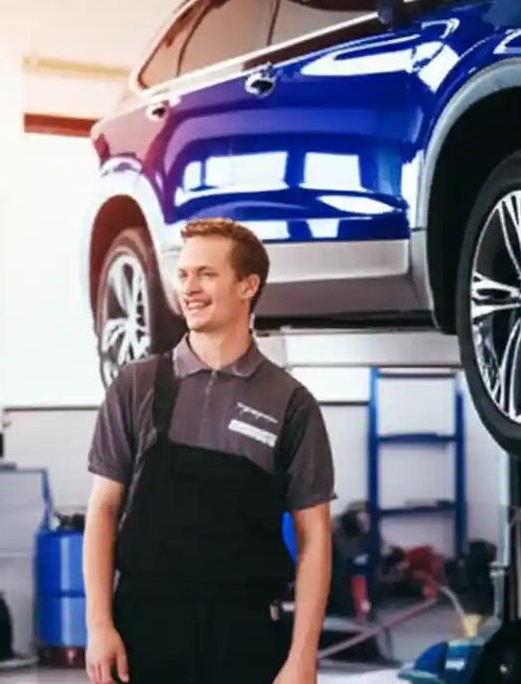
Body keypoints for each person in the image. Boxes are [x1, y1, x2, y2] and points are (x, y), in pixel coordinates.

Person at [83, 218, 336, 684]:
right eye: (183, 275)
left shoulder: (290, 402)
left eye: (206, 274)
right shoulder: (136, 384)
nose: (189, 288)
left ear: (248, 285)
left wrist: (302, 656)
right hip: (144, 629)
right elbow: (102, 510)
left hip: (246, 637)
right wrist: (99, 624)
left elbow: (315, 539)